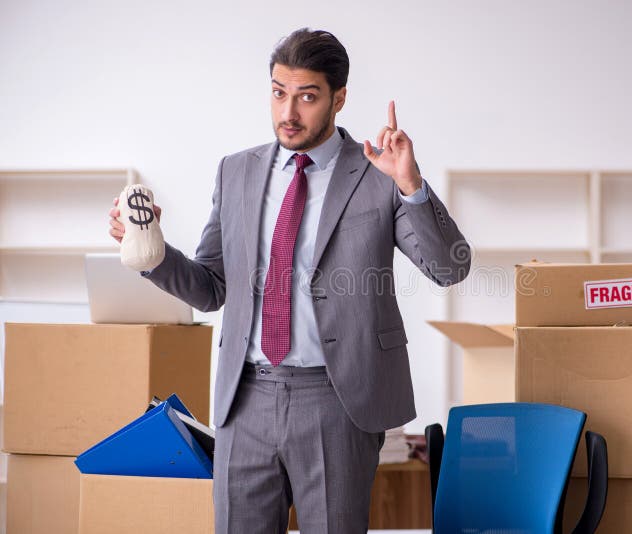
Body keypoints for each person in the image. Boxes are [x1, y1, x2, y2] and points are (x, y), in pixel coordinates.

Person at [108, 28, 470, 534]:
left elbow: (449, 268)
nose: (288, 113)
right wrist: (149, 252)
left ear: (339, 98)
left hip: (337, 399)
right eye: (279, 93)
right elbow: (211, 287)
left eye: (307, 96)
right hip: (245, 399)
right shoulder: (236, 171)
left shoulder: (378, 175)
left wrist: (409, 185)